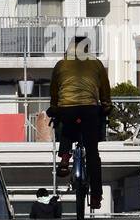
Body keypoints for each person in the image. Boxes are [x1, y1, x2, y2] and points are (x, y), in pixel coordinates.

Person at [48, 35, 112, 210]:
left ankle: (64, 158)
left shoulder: (61, 64)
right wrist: (106, 106)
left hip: (67, 108)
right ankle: (97, 196)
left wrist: (54, 107)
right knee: (92, 153)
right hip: (90, 109)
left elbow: (54, 89)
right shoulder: (96, 63)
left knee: (67, 128)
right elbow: (105, 89)